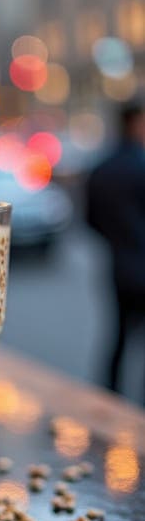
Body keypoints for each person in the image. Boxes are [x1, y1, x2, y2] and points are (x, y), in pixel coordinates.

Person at [86, 99, 145, 404]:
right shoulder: (140, 165)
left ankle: (109, 402)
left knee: (118, 339)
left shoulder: (101, 168)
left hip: (119, 266)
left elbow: (89, 220)